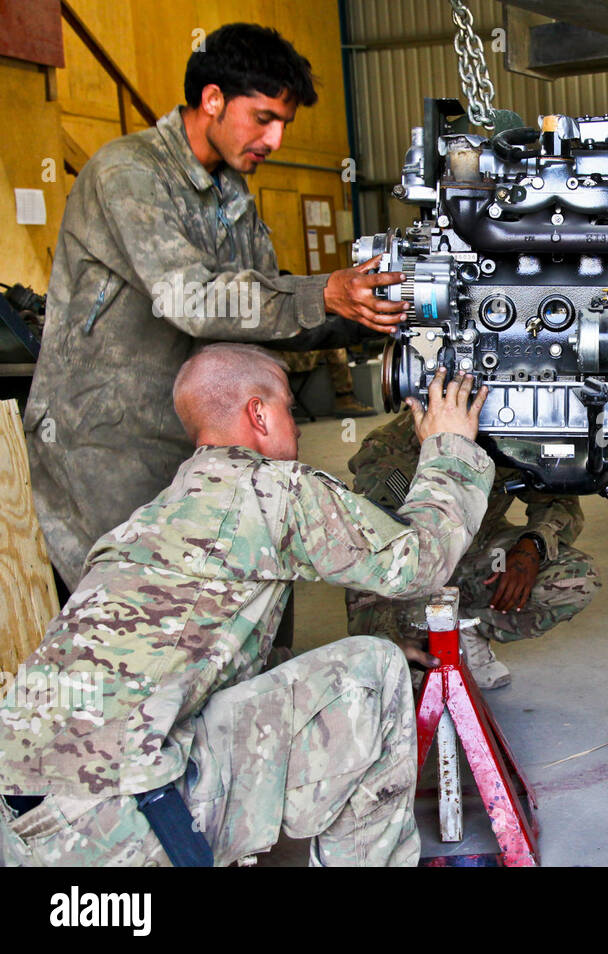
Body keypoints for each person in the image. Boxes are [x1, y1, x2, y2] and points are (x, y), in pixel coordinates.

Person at [0, 345, 492, 866]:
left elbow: (210, 666)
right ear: (258, 413)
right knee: (375, 672)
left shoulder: (148, 518)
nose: (298, 429)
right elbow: (420, 563)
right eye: (288, 410)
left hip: (24, 825)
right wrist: (449, 446)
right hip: (116, 822)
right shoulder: (271, 490)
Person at [24, 22, 408, 592]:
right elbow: (192, 299)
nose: (275, 140)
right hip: (107, 443)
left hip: (195, 437)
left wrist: (367, 313)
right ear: (212, 100)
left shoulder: (231, 194)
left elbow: (266, 314)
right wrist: (319, 291)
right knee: (136, 613)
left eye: (285, 123)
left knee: (222, 605)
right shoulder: (128, 173)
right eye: (264, 118)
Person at [345, 408, 601, 690]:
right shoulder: (386, 447)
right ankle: (425, 639)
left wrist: (532, 546)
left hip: (479, 551)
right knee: (414, 691)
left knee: (575, 579)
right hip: (413, 564)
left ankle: (468, 626)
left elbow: (559, 502)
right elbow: (369, 552)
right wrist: (381, 644)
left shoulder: (506, 428)